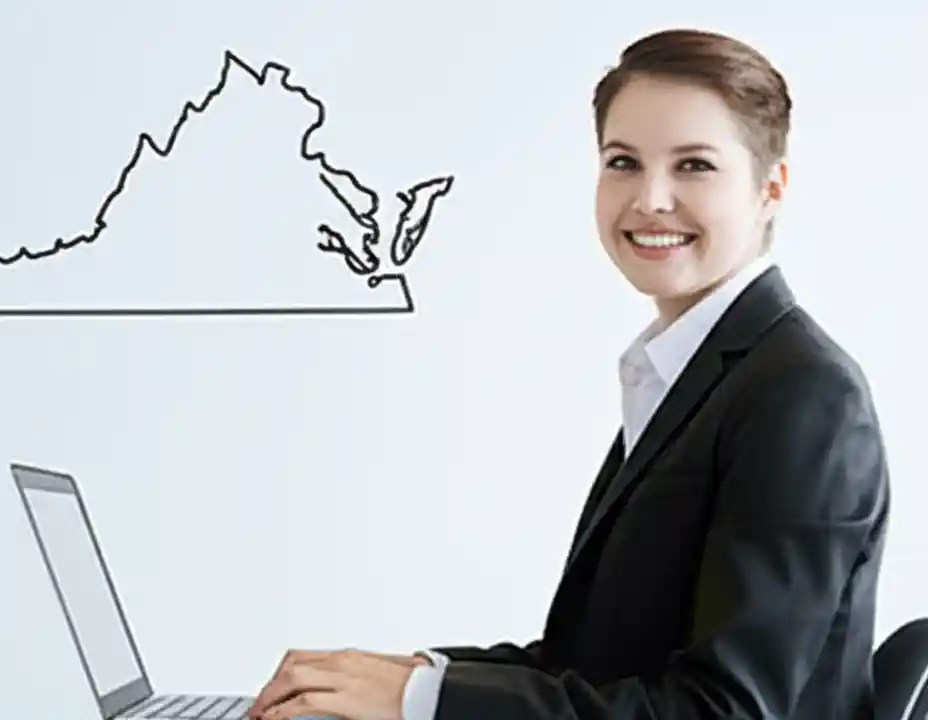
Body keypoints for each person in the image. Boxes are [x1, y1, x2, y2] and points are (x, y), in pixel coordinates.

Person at [247, 26, 890, 720]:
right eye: (623, 162)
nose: (650, 199)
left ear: (771, 189)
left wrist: (422, 700)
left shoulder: (803, 396)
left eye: (694, 165)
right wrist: (413, 675)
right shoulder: (692, 374)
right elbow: (597, 661)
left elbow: (718, 711)